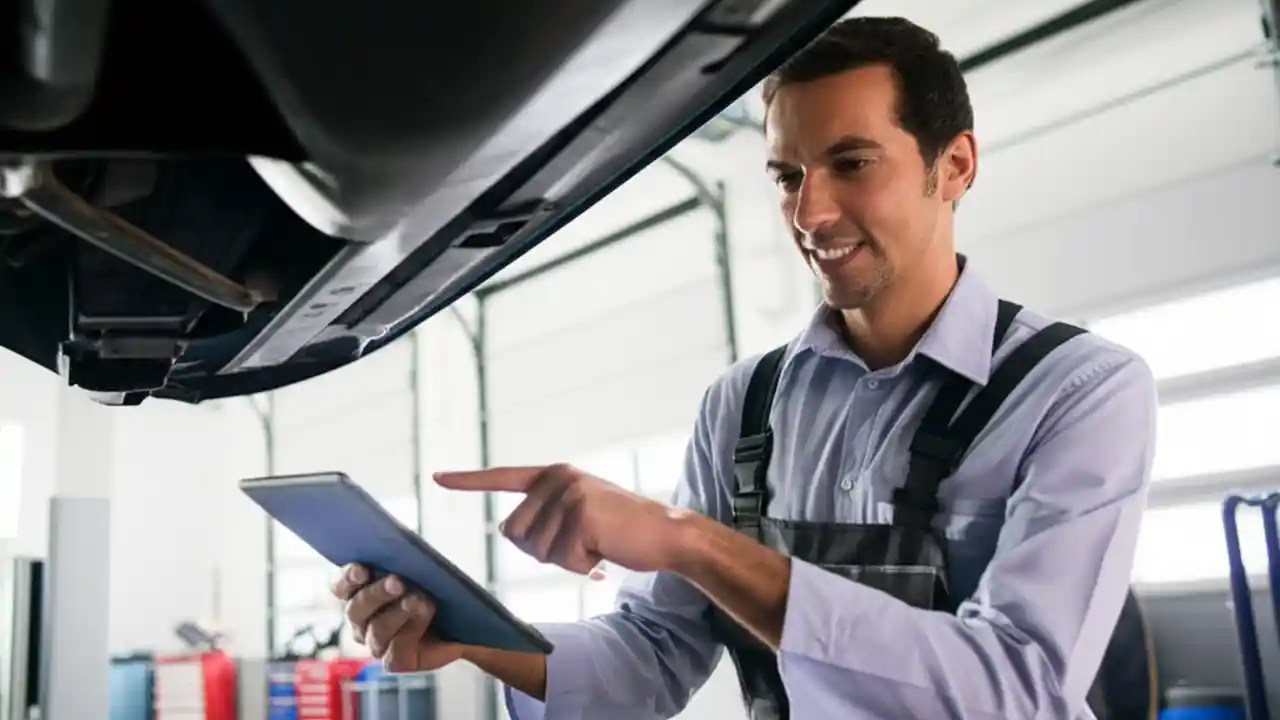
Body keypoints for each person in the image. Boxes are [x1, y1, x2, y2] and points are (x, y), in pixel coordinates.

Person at [331, 16, 1157, 720]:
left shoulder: (1079, 391)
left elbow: (1021, 689)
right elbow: (652, 656)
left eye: (852, 163)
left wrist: (692, 542)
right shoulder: (744, 405)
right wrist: (478, 635)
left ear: (957, 166)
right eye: (788, 176)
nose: (810, 212)